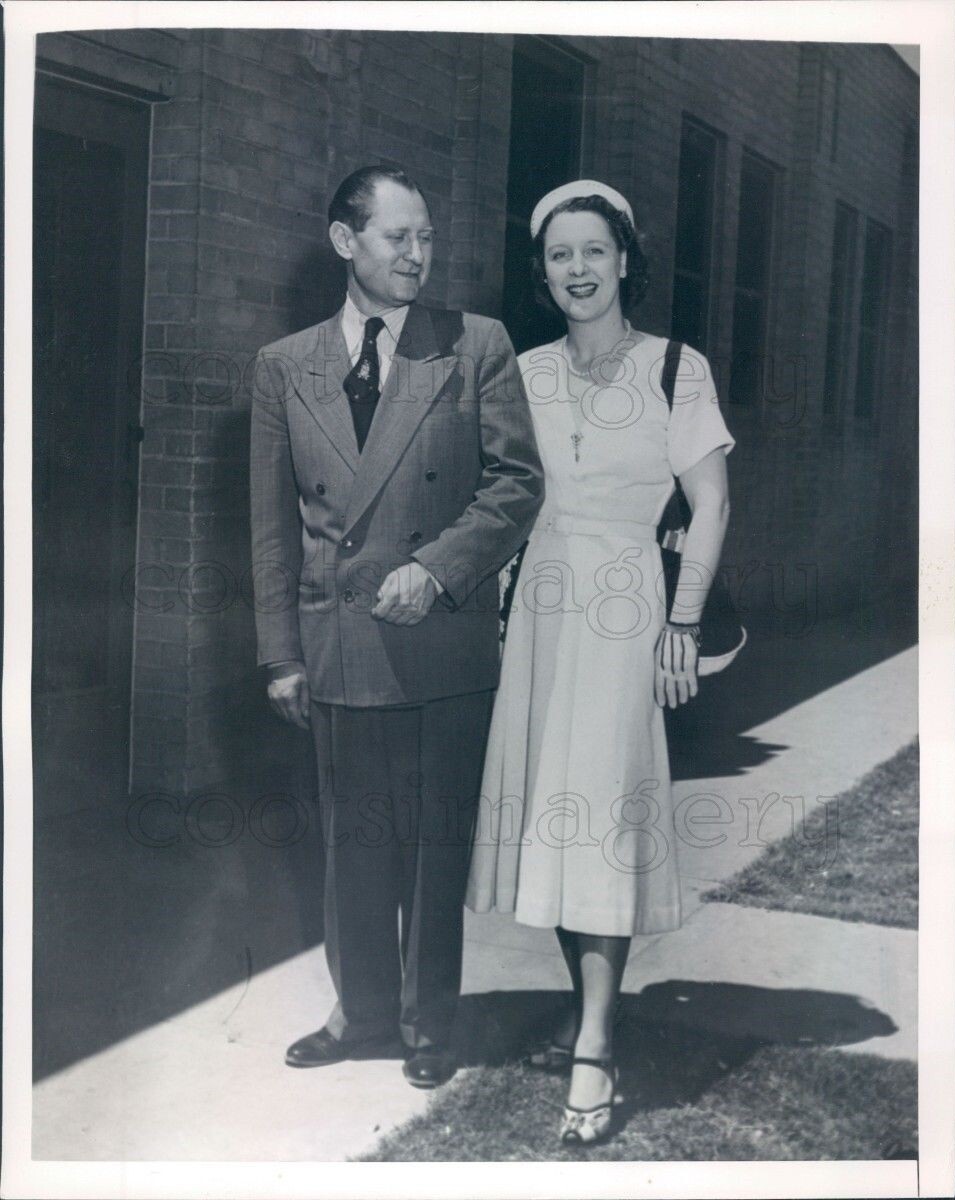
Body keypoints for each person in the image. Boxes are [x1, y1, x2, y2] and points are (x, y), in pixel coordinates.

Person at [250, 165, 543, 1089]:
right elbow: (267, 525)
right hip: (337, 642)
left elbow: (516, 483)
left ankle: (428, 1022)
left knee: (431, 847)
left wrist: (438, 567)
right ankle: (363, 1014)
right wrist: (279, 656)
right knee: (353, 845)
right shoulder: (283, 365)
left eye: (426, 239)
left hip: (439, 642)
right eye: (396, 238)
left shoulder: (475, 344)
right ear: (346, 241)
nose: (418, 255)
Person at [466, 181, 734, 1144]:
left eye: (595, 251)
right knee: (554, 821)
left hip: (628, 615)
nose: (578, 270)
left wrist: (683, 622)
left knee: (605, 817)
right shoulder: (520, 371)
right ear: (542, 273)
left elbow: (708, 502)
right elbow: (499, 498)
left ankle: (595, 1041)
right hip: (536, 609)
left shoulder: (677, 369)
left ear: (626, 260)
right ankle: (588, 1013)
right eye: (559, 256)